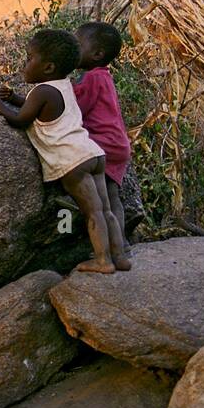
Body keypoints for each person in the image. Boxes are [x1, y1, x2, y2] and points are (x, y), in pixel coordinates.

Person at [0, 28, 130, 273]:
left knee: (92, 212)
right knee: (105, 209)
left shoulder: (42, 91)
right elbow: (42, 110)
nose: (24, 64)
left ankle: (103, 261)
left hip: (73, 161)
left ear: (47, 68)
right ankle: (120, 257)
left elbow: (20, 120)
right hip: (93, 154)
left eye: (29, 58)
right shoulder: (65, 86)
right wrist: (16, 98)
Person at [72, 20, 133, 265]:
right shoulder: (104, 76)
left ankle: (105, 251)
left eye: (77, 45)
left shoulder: (90, 79)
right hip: (118, 145)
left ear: (97, 54)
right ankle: (122, 248)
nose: (71, 50)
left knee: (101, 200)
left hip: (102, 143)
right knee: (113, 196)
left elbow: (75, 108)